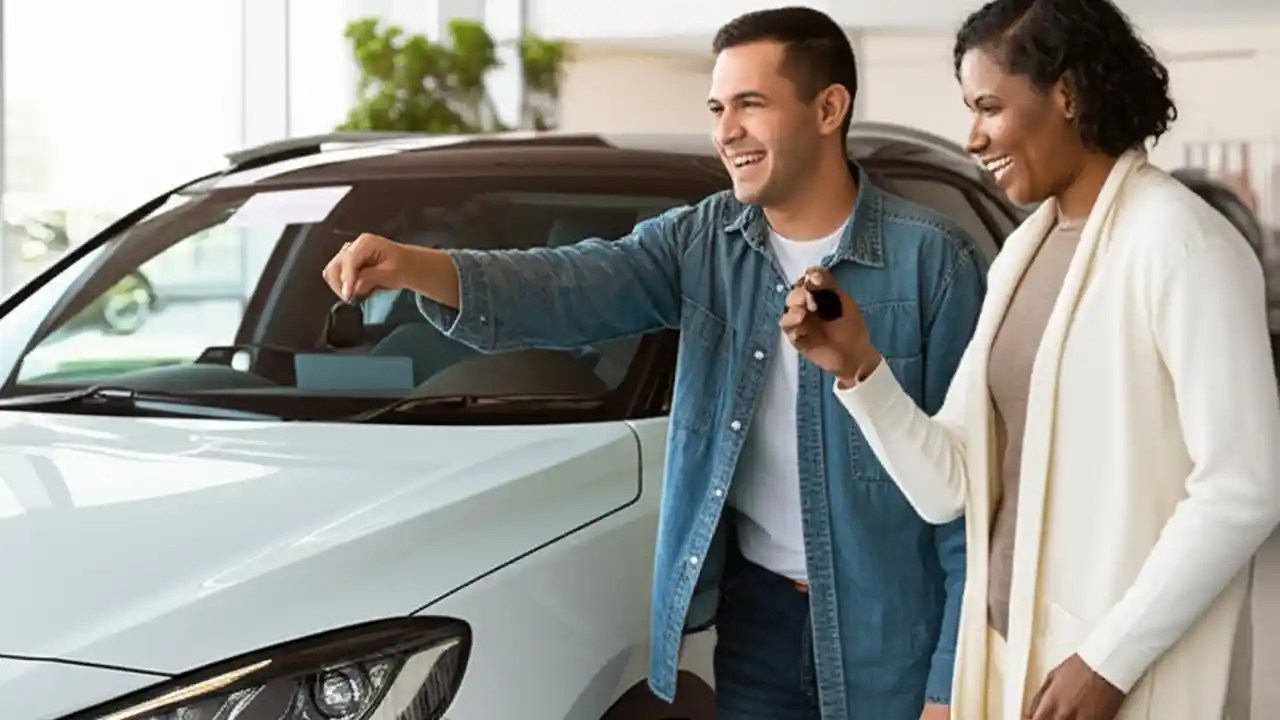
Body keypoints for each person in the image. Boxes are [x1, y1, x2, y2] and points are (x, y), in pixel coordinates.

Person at [324, 7, 987, 718]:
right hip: (758, 620)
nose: (726, 130)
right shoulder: (701, 243)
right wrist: (418, 266)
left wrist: (949, 684)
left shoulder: (933, 263)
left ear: (829, 108)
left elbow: (973, 502)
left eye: (750, 105)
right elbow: (570, 285)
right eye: (717, 108)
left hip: (893, 627)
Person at [781, 0, 1280, 718]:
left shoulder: (1182, 243)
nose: (974, 137)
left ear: (1068, 95)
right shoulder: (1025, 249)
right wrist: (859, 368)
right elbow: (949, 485)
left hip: (1117, 674)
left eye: (989, 106)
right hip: (1013, 660)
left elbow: (1245, 485)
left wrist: (1110, 661)